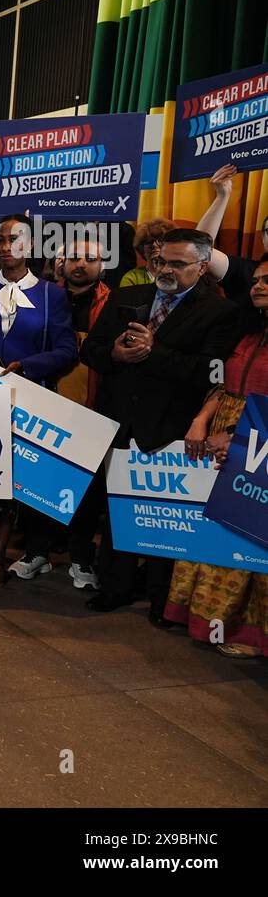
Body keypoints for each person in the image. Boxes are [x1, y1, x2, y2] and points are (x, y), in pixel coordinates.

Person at [80, 228, 241, 621]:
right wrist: (115, 355)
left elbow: (213, 371)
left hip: (173, 429)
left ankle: (161, 600)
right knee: (118, 508)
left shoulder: (221, 311)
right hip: (117, 422)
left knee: (164, 517)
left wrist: (154, 353)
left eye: (177, 264)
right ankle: (114, 586)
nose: (165, 270)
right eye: (160, 261)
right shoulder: (127, 295)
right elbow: (91, 350)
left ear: (203, 267)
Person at [0, 215, 78, 595]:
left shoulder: (52, 294)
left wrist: (30, 366)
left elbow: (67, 350)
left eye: (15, 239)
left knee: (10, 485)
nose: (6, 246)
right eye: (0, 239)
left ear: (31, 246)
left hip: (29, 397)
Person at [167, 257, 268, 655]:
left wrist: (238, 439)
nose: (258, 286)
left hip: (257, 446)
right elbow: (221, 385)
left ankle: (248, 634)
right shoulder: (247, 333)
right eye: (257, 280)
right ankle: (209, 622)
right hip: (222, 434)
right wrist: (201, 420)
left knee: (250, 541)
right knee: (214, 535)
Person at [13, 238, 112, 589]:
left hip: (92, 407)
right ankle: (36, 551)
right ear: (61, 262)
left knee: (85, 490)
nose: (80, 264)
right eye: (73, 257)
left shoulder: (113, 302)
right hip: (45, 401)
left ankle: (82, 558)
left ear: (103, 263)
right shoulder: (43, 297)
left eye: (89, 258)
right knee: (40, 480)